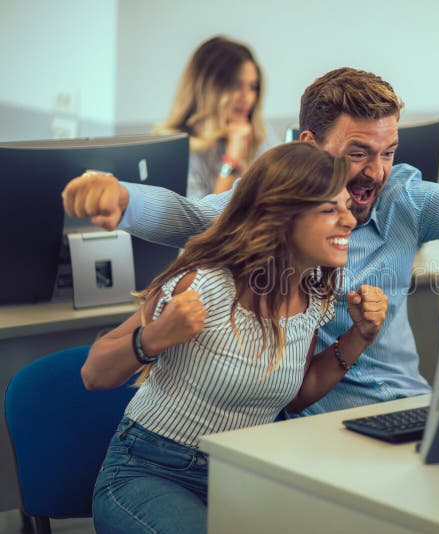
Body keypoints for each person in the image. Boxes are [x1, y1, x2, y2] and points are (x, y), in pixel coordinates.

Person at [63, 67, 439, 417]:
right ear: (308, 146)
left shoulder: (403, 201)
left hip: (409, 407)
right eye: (357, 153)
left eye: (388, 152)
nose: (375, 172)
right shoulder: (269, 203)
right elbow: (187, 217)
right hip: (315, 420)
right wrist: (120, 196)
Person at [80, 142, 389, 533]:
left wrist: (360, 336)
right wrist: (153, 338)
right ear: (281, 216)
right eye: (331, 209)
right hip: (151, 470)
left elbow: (299, 392)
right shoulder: (202, 283)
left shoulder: (314, 293)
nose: (349, 220)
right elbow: (93, 373)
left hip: (241, 474)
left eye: (347, 206)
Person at [155, 35, 268, 198]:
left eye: (252, 86)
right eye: (236, 85)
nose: (247, 98)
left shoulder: (259, 134)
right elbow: (205, 222)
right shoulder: (175, 150)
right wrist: (233, 160)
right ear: (207, 89)